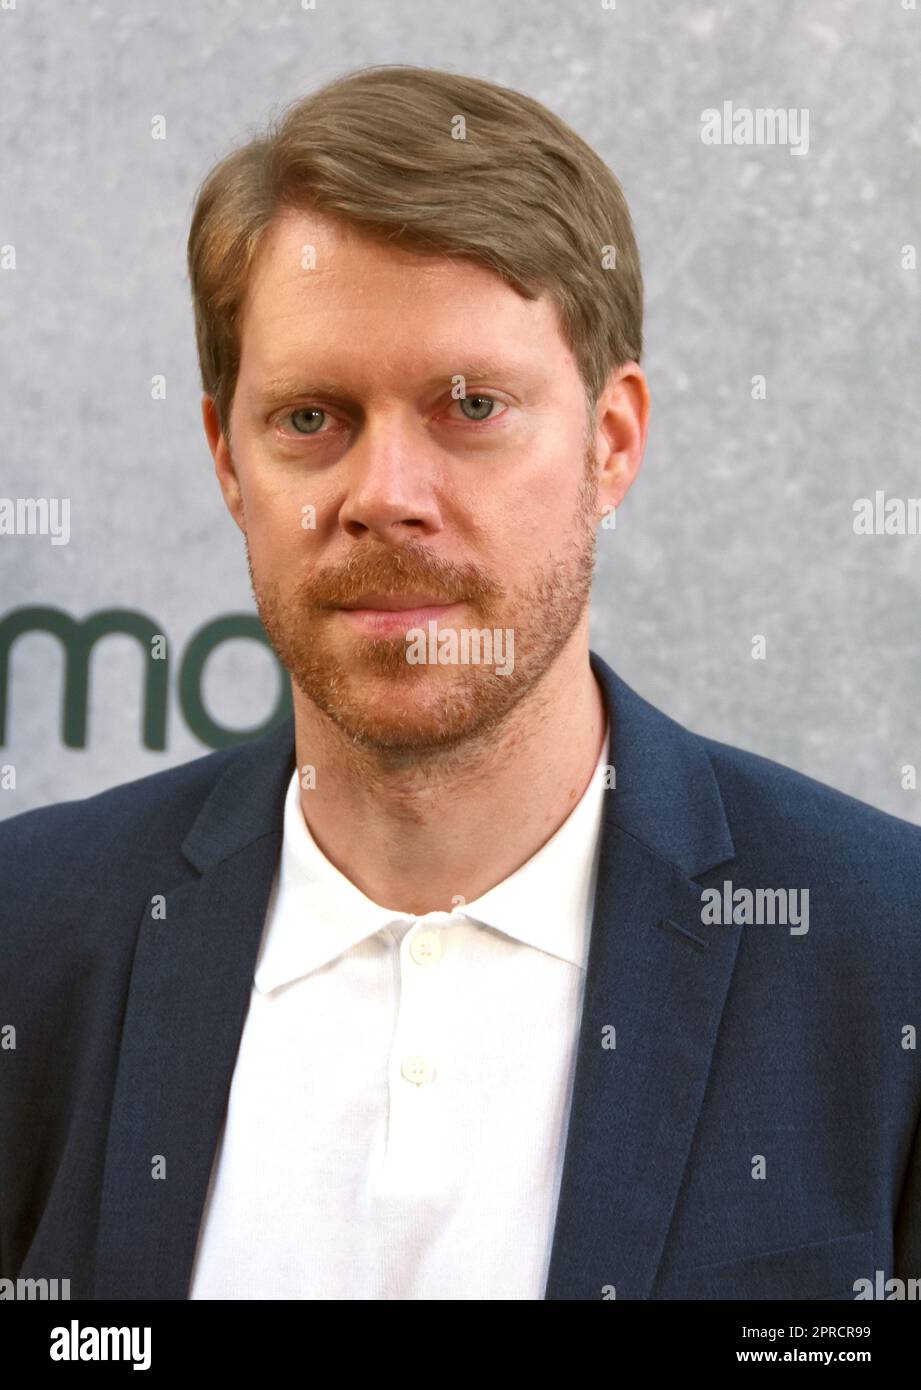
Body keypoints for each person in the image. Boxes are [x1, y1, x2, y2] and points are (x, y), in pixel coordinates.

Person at [1, 65, 919, 1302]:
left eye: (472, 406)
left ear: (611, 442)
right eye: (311, 418)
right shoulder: (28, 932)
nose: (386, 496)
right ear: (227, 461)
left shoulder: (887, 950)